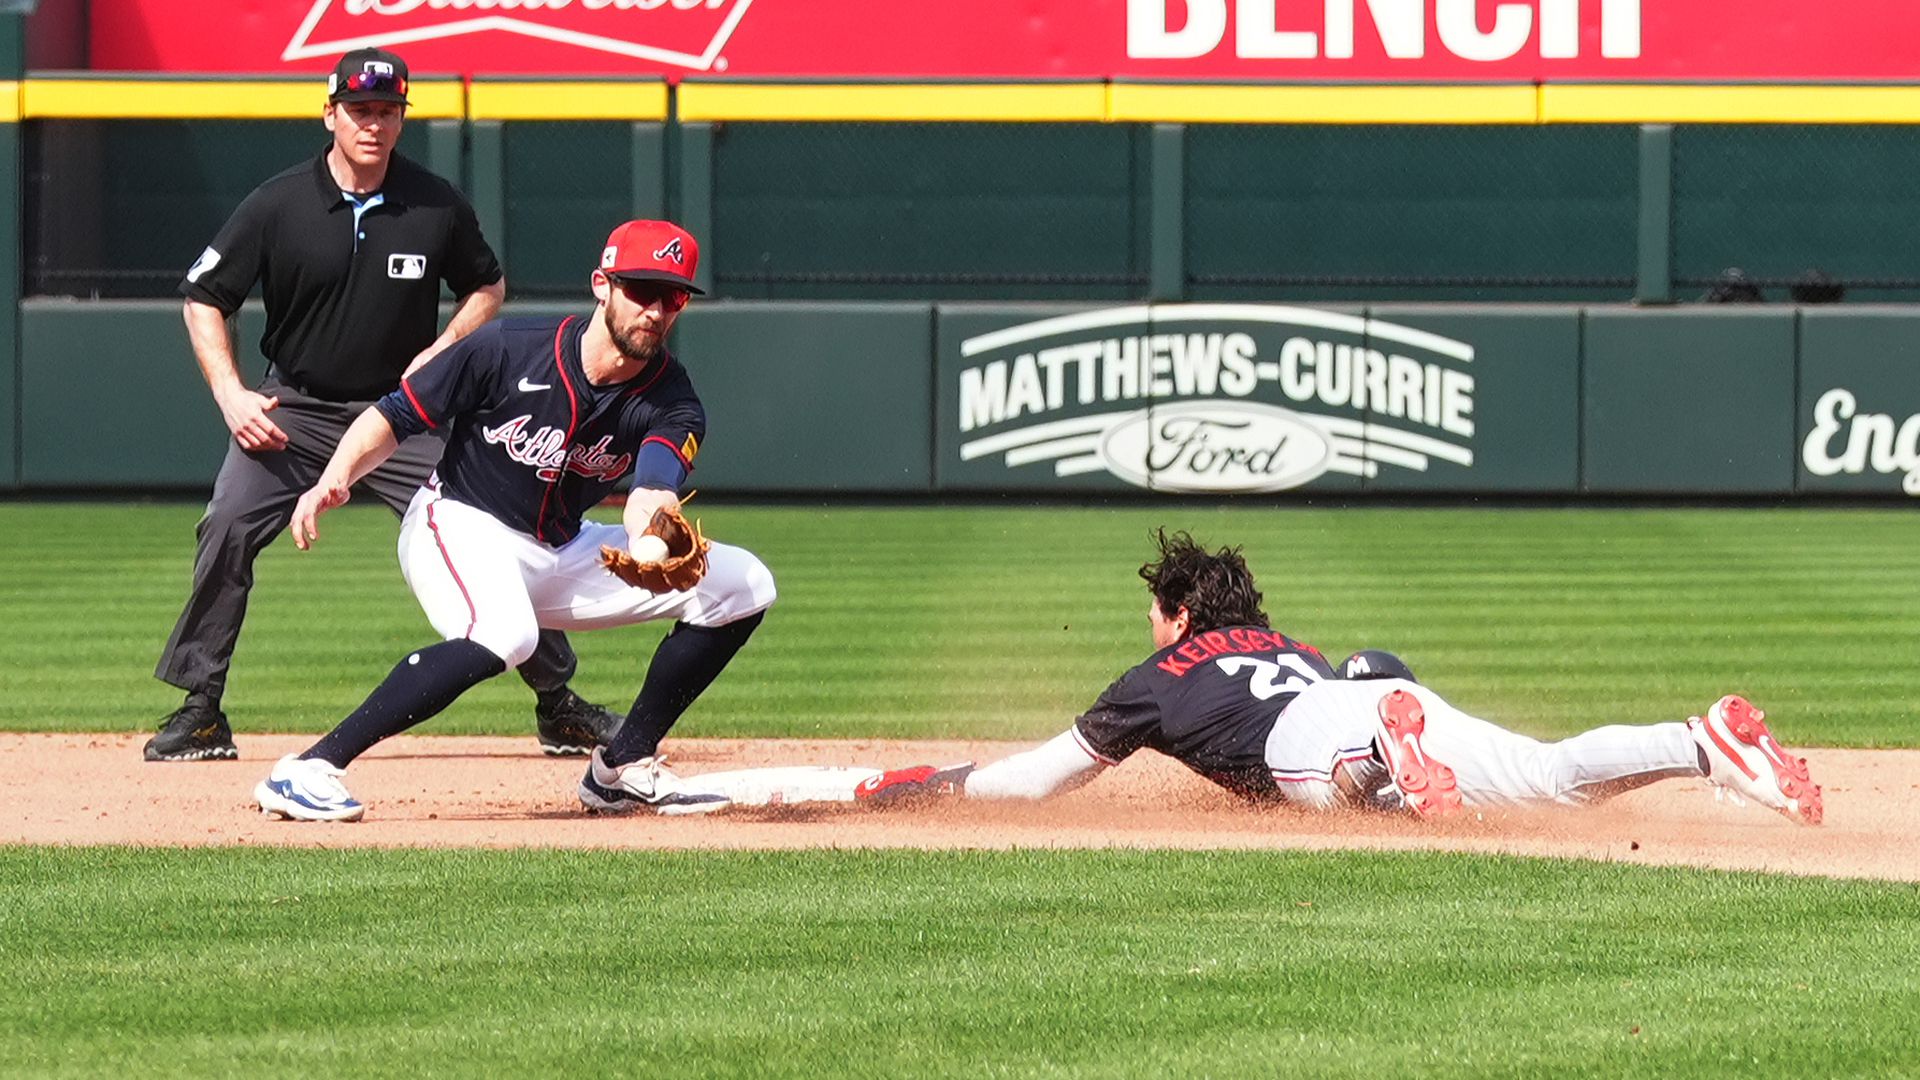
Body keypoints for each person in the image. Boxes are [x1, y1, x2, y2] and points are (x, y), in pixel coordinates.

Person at [150, 47, 621, 762]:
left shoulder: (433, 205)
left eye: (388, 111)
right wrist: (230, 392)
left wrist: (447, 346)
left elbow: (486, 287)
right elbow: (202, 299)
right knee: (227, 526)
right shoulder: (279, 203)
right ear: (330, 113)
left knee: (496, 530)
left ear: (402, 118)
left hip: (406, 414)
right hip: (295, 411)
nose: (374, 123)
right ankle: (200, 708)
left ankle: (557, 703)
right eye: (361, 109)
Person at [251, 218, 776, 822]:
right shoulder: (508, 347)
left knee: (745, 583)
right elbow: (396, 413)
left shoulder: (671, 397)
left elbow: (651, 489)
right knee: (507, 636)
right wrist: (333, 477)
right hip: (457, 521)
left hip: (560, 547)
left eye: (673, 296)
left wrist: (649, 539)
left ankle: (621, 768)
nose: (655, 311)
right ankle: (310, 768)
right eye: (640, 289)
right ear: (602, 285)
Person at [855, 530, 1823, 826]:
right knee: (1549, 779)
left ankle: (1380, 761)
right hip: (1366, 692)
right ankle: (1699, 740)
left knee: (1332, 789)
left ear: (1181, 616)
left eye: (1159, 610)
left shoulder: (1154, 677)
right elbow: (1369, 671)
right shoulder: (1292, 647)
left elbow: (1036, 781)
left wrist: (941, 786)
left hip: (1324, 739)